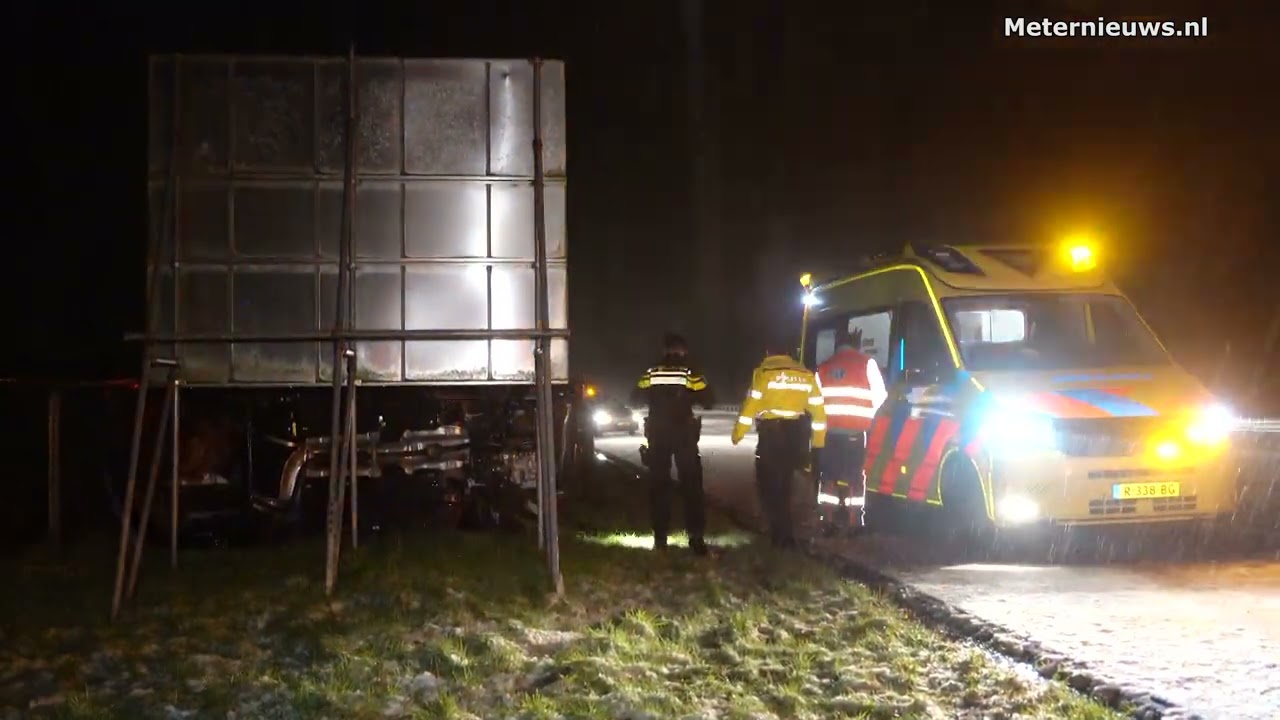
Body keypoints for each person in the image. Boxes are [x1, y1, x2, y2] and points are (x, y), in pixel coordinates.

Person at [731, 344, 827, 548]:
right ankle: (785, 535)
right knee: (786, 484)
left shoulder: (764, 372)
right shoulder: (805, 374)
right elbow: (819, 411)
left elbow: (751, 406)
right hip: (796, 437)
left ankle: (779, 535)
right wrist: (818, 442)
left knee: (769, 485)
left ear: (768, 353)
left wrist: (738, 433)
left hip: (772, 436)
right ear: (789, 353)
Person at [631, 333, 715, 554]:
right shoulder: (690, 372)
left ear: (664, 350)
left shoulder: (652, 372)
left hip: (658, 435)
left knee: (659, 486)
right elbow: (709, 401)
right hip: (684, 435)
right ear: (683, 351)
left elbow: (634, 399)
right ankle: (696, 539)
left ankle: (660, 540)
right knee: (692, 487)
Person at [814, 326, 887, 532]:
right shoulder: (867, 363)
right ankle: (855, 523)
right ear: (856, 344)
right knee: (855, 478)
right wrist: (866, 416)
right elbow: (881, 396)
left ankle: (827, 521)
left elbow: (816, 401)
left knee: (828, 477)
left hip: (830, 434)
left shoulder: (824, 367)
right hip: (856, 433)